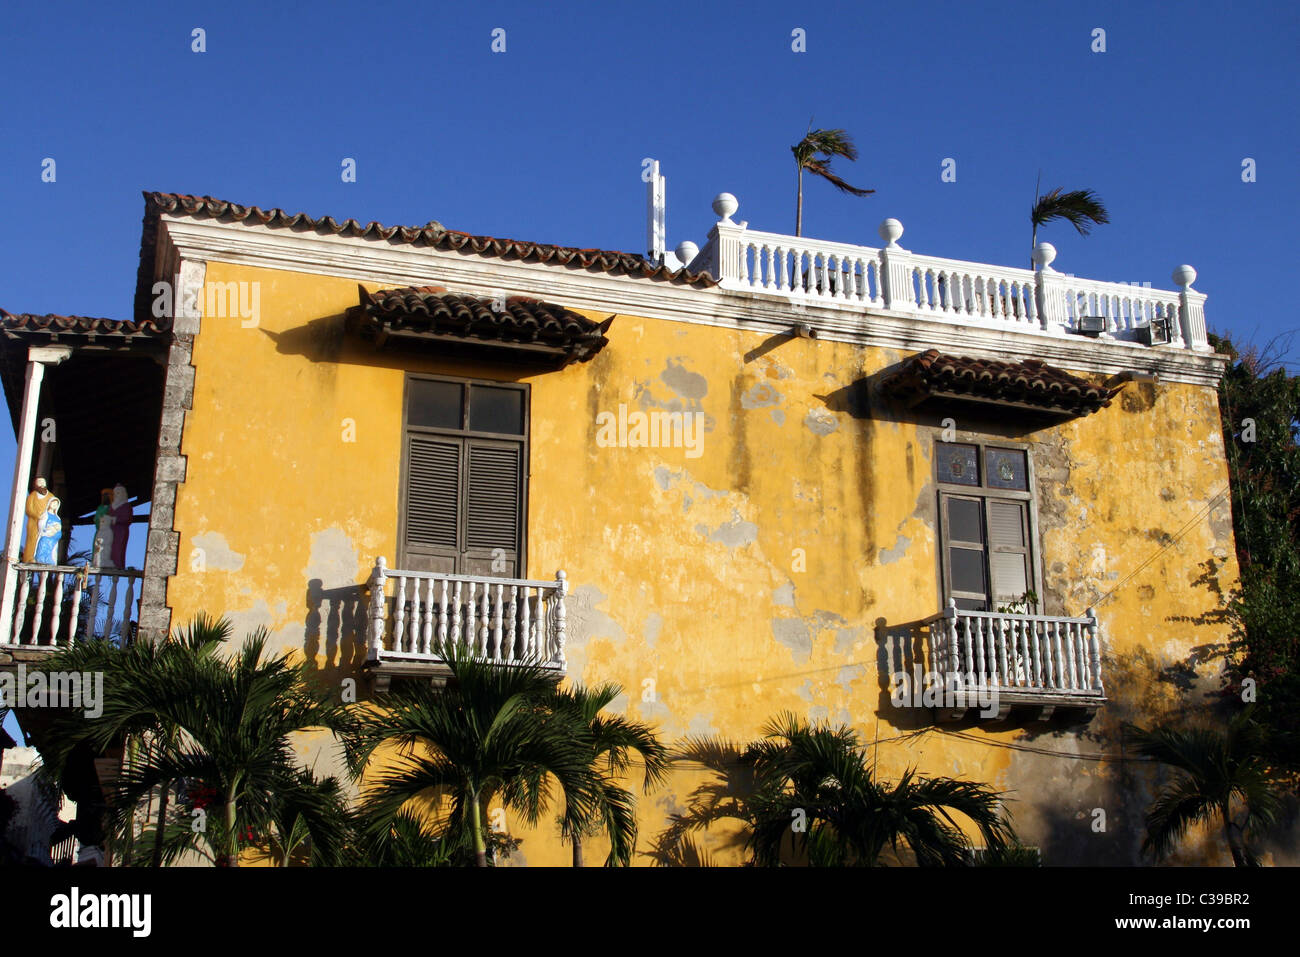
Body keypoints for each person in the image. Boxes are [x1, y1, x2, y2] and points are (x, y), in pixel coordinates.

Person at [21, 478, 53, 563]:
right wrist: (37, 515)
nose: (41, 484)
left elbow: (54, 508)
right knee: (33, 539)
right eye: (39, 482)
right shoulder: (32, 496)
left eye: (43, 482)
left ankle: (43, 558)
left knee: (44, 540)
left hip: (46, 522)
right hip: (34, 522)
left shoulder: (50, 497)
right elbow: (29, 509)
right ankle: (29, 557)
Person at [33, 497, 62, 565]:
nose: (54, 504)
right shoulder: (45, 515)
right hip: (46, 537)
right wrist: (47, 531)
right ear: (49, 503)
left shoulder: (57, 518)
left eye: (56, 504)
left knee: (51, 554)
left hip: (53, 540)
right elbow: (41, 526)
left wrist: (56, 531)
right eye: (53, 502)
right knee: (42, 550)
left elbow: (59, 528)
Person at [109, 485, 131, 569]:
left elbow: (127, 518)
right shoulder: (112, 506)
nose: (116, 495)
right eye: (115, 493)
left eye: (118, 493)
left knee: (119, 547)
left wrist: (115, 519)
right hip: (111, 531)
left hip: (121, 531)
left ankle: (118, 564)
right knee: (110, 547)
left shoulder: (126, 506)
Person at [91, 488, 114, 567]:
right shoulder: (100, 508)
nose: (105, 497)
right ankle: (95, 561)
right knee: (96, 547)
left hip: (107, 530)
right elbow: (96, 518)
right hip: (99, 530)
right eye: (103, 495)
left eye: (106, 495)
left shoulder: (111, 508)